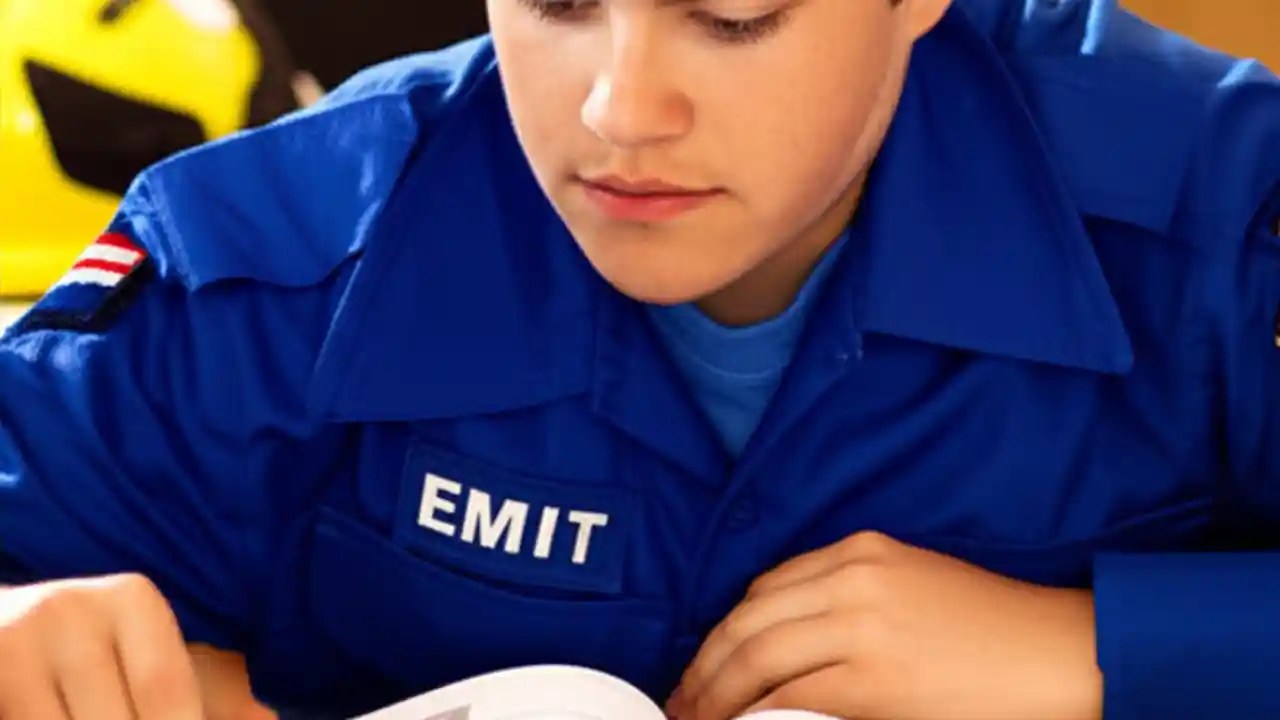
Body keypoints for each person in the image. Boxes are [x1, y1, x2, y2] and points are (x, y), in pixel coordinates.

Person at [0, 0, 1277, 718]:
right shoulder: (280, 250)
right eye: (557, 3)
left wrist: (1099, 651)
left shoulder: (1220, 212)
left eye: (730, 17)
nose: (618, 108)